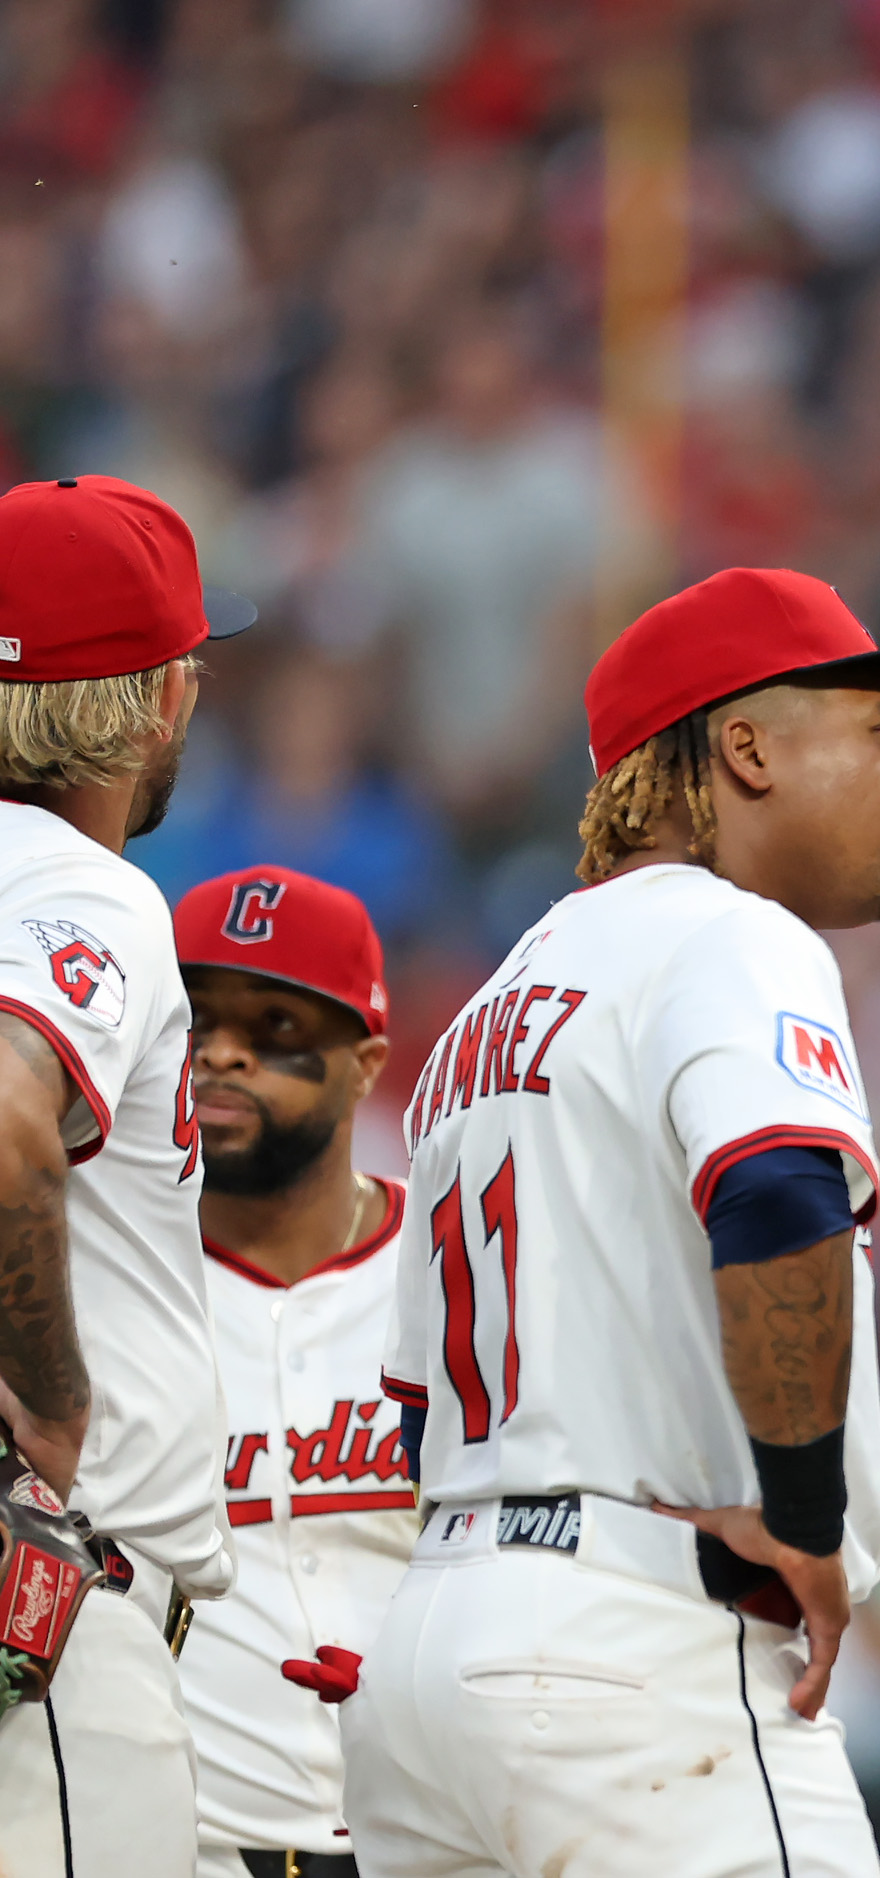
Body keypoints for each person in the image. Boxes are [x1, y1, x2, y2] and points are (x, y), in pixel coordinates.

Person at [338, 567, 880, 1878]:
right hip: (639, 1644)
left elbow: (413, 1399)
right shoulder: (730, 937)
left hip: (431, 1648)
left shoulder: (488, 1011)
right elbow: (776, 1193)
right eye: (879, 733)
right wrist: (804, 1515)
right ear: (745, 746)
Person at [0, 475, 256, 1876]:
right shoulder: (78, 884)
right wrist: (53, 1386)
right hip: (53, 1616)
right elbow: (4, 1122)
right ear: (153, 697)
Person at [170, 867, 405, 1878]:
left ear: (365, 1063)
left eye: (275, 1027)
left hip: (444, 1834)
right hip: (186, 1840)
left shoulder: (460, 1267)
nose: (222, 1053)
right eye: (195, 1022)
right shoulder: (98, 1279)